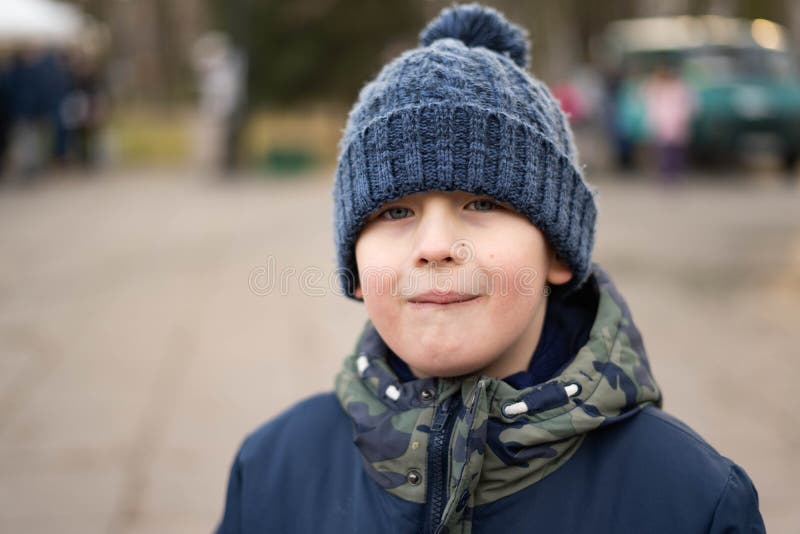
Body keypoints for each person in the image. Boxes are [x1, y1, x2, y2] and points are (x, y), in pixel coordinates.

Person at [214, 5, 764, 533]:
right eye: (395, 211)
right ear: (355, 268)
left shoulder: (689, 500)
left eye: (481, 204)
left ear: (556, 250)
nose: (434, 247)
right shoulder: (271, 473)